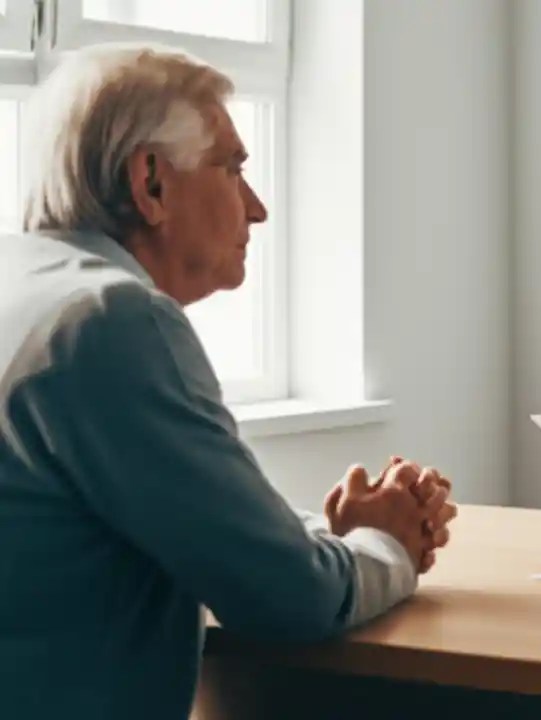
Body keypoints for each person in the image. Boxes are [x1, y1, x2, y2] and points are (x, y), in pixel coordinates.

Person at [0, 44, 457, 718]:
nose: (258, 208)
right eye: (234, 168)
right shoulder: (113, 321)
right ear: (151, 183)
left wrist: (324, 535)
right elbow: (291, 599)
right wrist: (389, 544)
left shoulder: (24, 287)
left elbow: (154, 515)